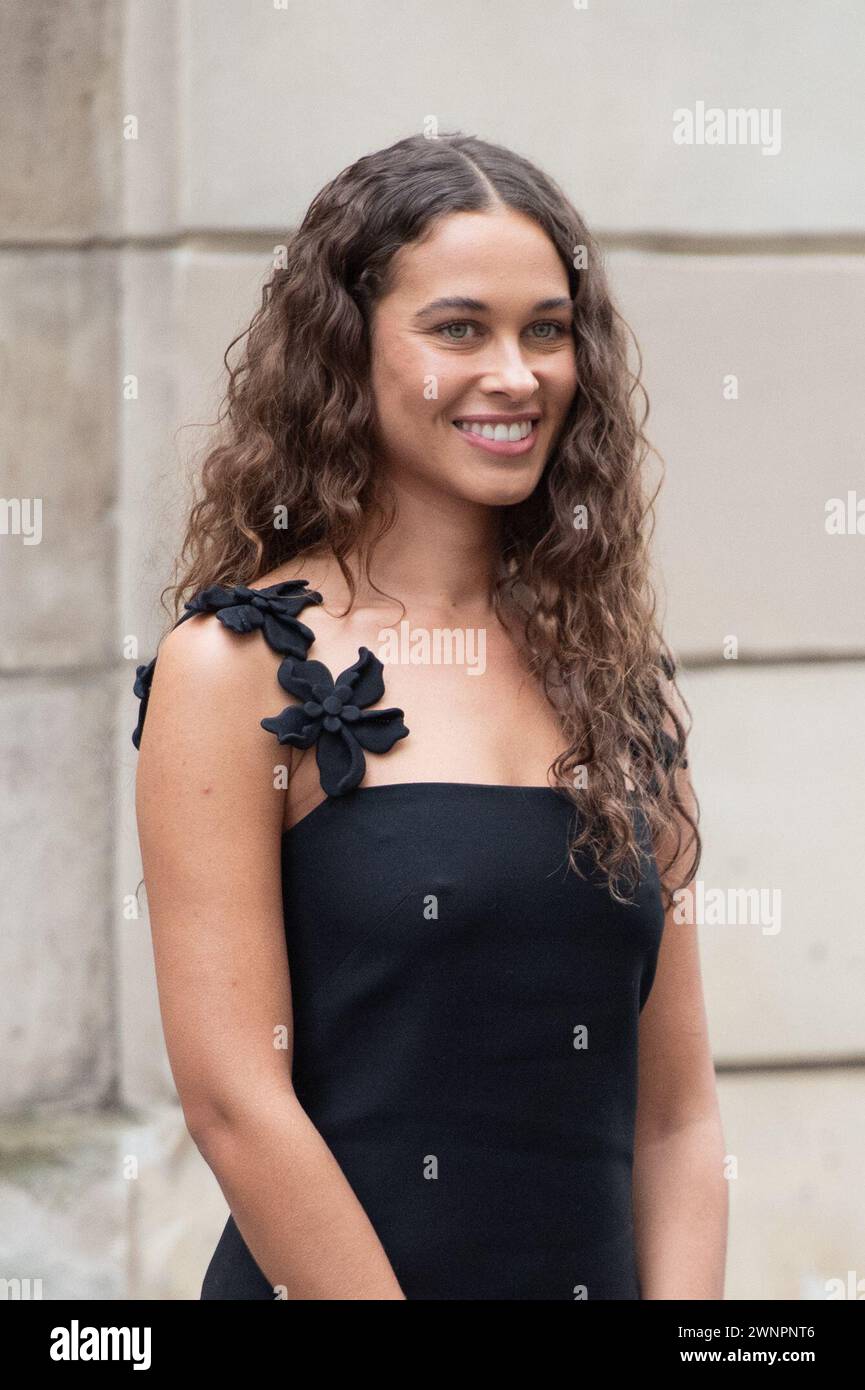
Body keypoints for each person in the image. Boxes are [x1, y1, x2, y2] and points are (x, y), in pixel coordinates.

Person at [132, 132, 727, 1300]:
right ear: (348, 351)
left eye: (546, 330)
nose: (514, 373)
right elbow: (236, 1105)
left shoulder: (616, 676)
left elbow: (676, 1116)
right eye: (459, 328)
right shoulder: (233, 666)